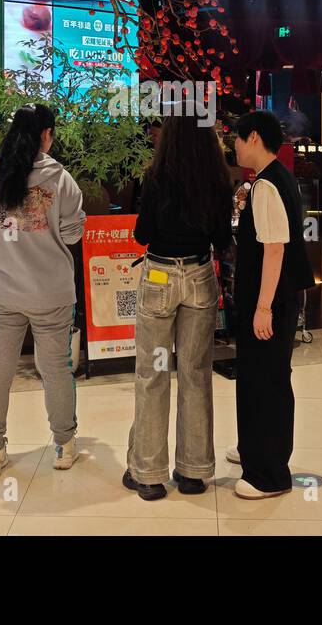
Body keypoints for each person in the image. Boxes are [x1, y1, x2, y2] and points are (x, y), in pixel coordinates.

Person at [0, 103, 87, 478]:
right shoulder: (61, 179)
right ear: (46, 135)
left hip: (0, 293)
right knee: (54, 369)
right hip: (51, 293)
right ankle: (63, 444)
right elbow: (73, 234)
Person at [122, 116, 233, 501]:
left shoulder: (157, 176)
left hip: (159, 280)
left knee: (152, 372)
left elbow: (142, 233)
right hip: (200, 279)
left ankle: (149, 473)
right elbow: (223, 237)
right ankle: (193, 472)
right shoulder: (217, 178)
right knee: (195, 372)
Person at [227, 111, 315, 499]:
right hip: (275, 298)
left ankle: (268, 474)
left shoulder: (266, 186)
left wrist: (263, 307)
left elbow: (274, 249)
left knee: (265, 381)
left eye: (238, 138)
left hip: (270, 301)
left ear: (256, 138)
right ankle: (255, 450)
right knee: (261, 377)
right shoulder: (277, 177)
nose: (234, 146)